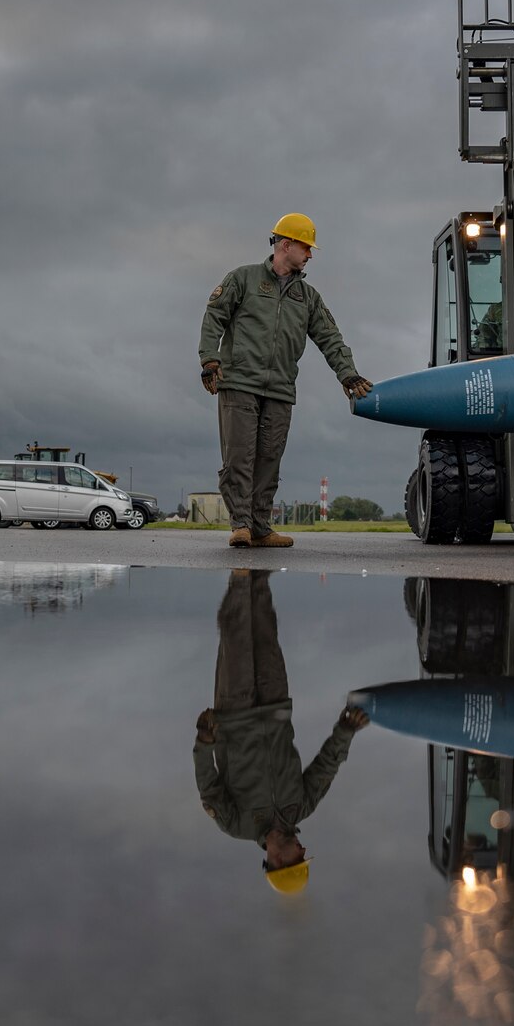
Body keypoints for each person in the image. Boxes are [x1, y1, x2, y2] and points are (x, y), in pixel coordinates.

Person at [198, 213, 373, 548]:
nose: (310, 255)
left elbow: (330, 337)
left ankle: (261, 528)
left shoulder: (307, 297)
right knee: (239, 456)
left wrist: (347, 372)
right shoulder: (243, 279)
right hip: (239, 384)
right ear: (286, 244)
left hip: (280, 389)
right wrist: (210, 359)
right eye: (306, 247)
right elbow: (214, 317)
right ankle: (241, 525)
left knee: (269, 458)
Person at [192, 569, 369, 895]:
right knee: (265, 633)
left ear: (277, 861)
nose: (303, 851)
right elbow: (327, 766)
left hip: (234, 712)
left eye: (297, 859)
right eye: (303, 857)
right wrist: (346, 729)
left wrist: (204, 743)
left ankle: (239, 579)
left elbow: (209, 788)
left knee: (236, 637)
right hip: (275, 706)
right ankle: (258, 577)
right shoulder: (301, 807)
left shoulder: (236, 825)